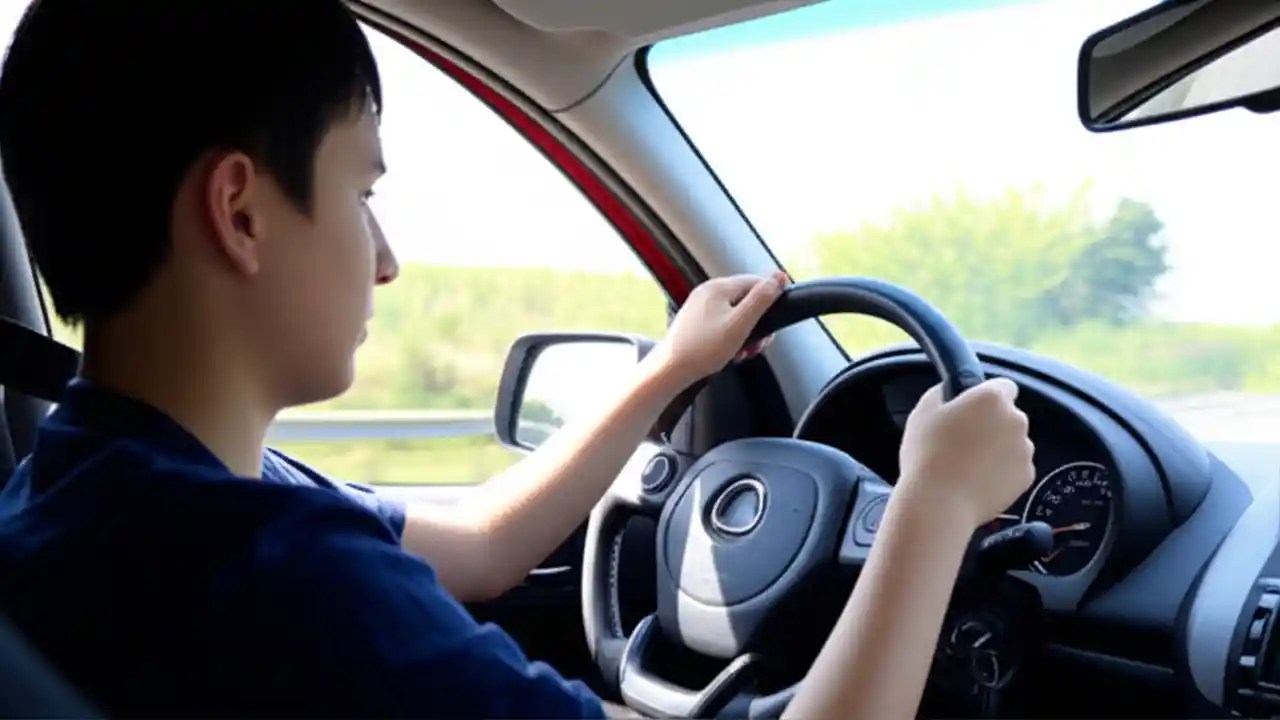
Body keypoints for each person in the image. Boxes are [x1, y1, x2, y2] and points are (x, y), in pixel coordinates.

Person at [0, 1, 1035, 717]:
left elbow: (487, 546)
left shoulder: (102, 487)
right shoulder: (283, 586)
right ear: (239, 212)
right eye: (364, 194)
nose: (389, 259)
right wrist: (934, 505)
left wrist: (668, 369)